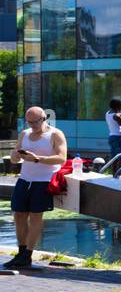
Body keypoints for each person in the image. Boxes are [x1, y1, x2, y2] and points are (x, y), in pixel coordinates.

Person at [5, 107, 69, 269]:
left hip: (43, 180)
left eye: (35, 122)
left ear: (44, 118)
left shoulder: (55, 134)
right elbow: (14, 158)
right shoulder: (25, 134)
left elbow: (61, 158)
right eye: (29, 122)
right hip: (25, 179)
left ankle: (28, 254)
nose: (32, 125)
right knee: (18, 215)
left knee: (35, 217)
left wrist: (37, 159)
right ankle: (21, 252)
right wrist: (16, 155)